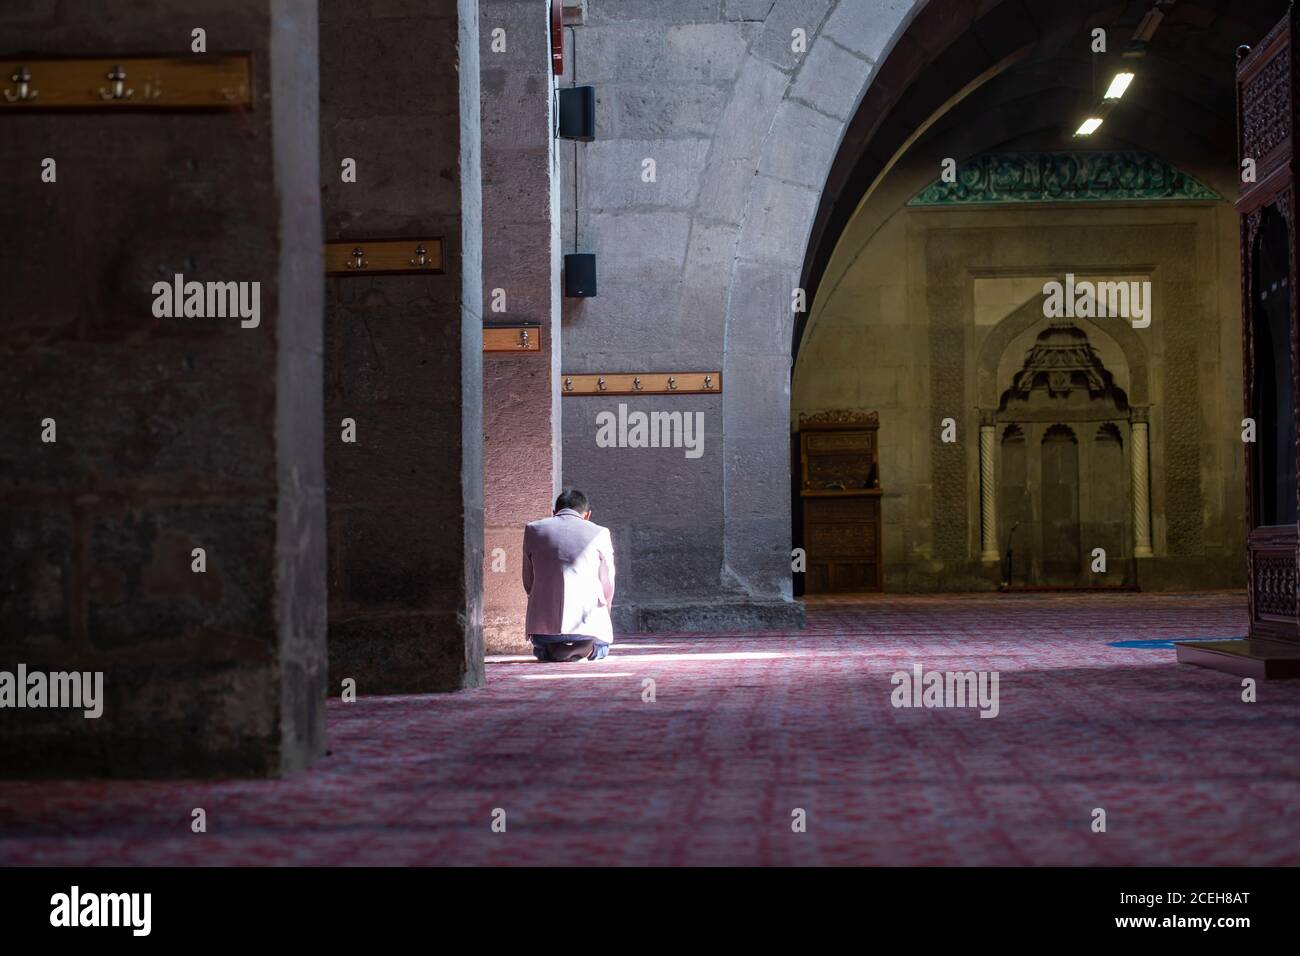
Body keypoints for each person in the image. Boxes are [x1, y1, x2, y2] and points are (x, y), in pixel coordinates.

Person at [522, 489, 616, 662]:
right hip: (588, 628)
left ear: (554, 512)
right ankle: (586, 649)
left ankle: (553, 650)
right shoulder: (600, 532)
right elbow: (607, 582)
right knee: (602, 647)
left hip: (544, 631)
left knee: (541, 650)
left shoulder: (533, 529)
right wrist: (605, 612)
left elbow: (528, 581)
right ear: (587, 515)